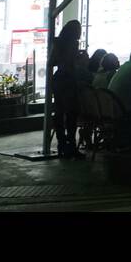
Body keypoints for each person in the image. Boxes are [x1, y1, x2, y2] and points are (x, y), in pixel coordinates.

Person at [50, 20, 83, 158]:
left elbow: (51, 62)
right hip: (69, 79)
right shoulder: (73, 43)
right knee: (71, 115)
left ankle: (61, 143)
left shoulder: (58, 42)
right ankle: (71, 146)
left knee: (59, 113)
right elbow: (72, 63)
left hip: (58, 79)